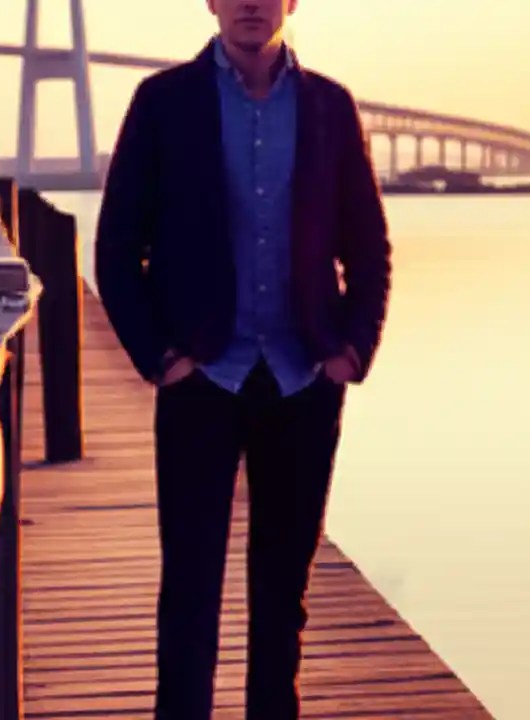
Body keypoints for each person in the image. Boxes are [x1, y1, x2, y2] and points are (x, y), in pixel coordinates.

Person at [94, 0, 392, 717]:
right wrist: (161, 358)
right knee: (190, 594)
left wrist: (350, 351)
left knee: (282, 597)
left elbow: (369, 249)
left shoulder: (330, 107)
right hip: (202, 381)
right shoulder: (163, 103)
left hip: (303, 382)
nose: (252, 3)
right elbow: (114, 251)